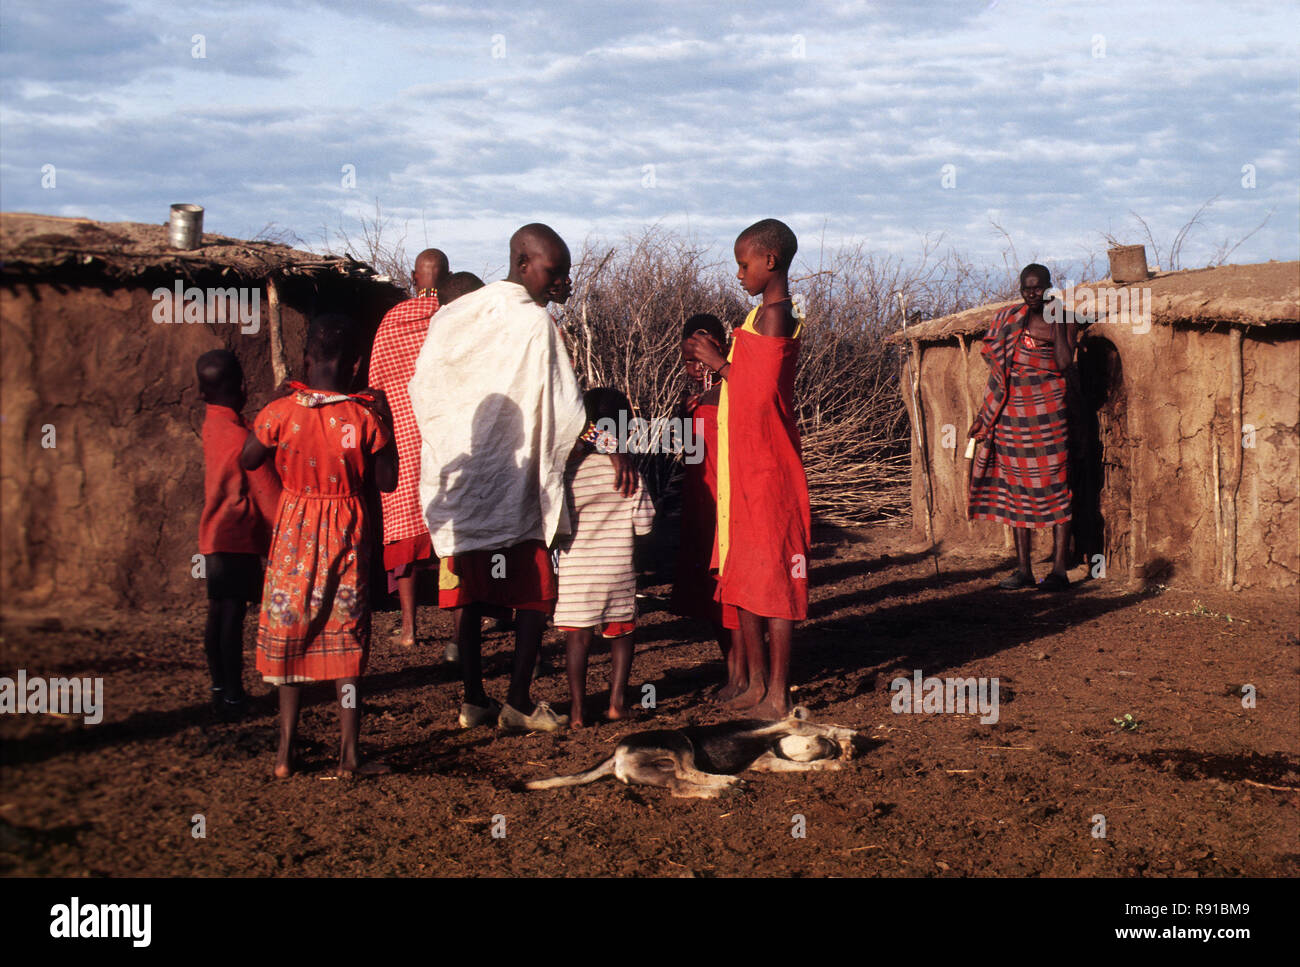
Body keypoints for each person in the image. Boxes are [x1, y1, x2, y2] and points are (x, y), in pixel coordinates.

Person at [408, 223, 637, 733]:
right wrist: (608, 447)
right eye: (554, 273)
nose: (561, 284)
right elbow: (565, 414)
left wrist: (453, 446)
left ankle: (474, 701)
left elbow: (426, 387)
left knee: (469, 595)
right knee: (534, 596)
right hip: (517, 489)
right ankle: (516, 700)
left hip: (467, 481)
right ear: (523, 263)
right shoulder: (535, 325)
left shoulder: (458, 313)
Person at [240, 314, 398, 777]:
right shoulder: (363, 416)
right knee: (346, 634)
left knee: (292, 630)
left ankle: (284, 756)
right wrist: (384, 419)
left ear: (306, 360)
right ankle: (349, 757)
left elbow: (249, 458)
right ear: (354, 365)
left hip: (292, 531)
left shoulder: (281, 412)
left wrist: (274, 412)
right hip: (345, 531)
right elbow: (386, 482)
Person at [682, 219, 810, 720]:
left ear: (769, 262)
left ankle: (778, 694)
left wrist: (718, 362)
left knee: (774, 581)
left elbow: (758, 397)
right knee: (747, 577)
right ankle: (756, 684)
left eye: (743, 263)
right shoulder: (759, 316)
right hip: (746, 469)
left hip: (769, 470)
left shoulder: (776, 316)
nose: (738, 274)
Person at [967, 263, 1078, 591]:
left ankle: (1059, 571)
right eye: (1026, 288)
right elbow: (997, 373)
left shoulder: (1064, 318)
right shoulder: (1008, 319)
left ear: (1049, 287)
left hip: (1048, 412)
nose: (1031, 294)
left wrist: (1057, 321)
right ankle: (1024, 570)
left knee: (1057, 486)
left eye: (1038, 287)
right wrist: (983, 414)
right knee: (1015, 491)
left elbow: (1063, 362)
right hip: (1012, 415)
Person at [555, 388, 656, 728]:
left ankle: (578, 712)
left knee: (578, 638)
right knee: (622, 633)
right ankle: (616, 703)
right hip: (617, 569)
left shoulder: (567, 475)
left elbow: (557, 527)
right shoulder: (630, 474)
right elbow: (644, 527)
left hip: (576, 572)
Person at [368, 249, 450, 649]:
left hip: (402, 437)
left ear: (414, 277)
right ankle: (459, 627)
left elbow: (377, 387)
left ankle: (408, 628)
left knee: (404, 529)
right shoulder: (455, 317)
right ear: (446, 278)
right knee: (455, 527)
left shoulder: (392, 321)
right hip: (447, 435)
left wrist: (387, 434)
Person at [196, 349, 281, 716]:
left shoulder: (212, 424)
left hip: (214, 538)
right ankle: (233, 694)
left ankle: (220, 687)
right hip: (237, 538)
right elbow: (264, 487)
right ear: (242, 386)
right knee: (232, 617)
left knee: (218, 615)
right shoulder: (238, 436)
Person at [670, 313, 741, 697]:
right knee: (711, 591)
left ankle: (743, 672)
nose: (695, 368)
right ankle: (734, 668)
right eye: (688, 360)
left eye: (702, 357)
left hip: (729, 505)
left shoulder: (737, 390)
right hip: (701, 504)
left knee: (731, 587)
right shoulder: (691, 401)